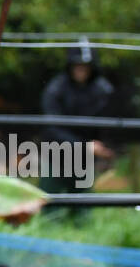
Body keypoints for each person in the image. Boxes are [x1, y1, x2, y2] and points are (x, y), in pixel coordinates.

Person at [39, 38, 115, 194]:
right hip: (57, 155)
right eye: (77, 65)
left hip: (85, 160)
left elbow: (109, 123)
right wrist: (84, 145)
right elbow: (51, 128)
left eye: (85, 66)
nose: (81, 70)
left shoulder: (103, 90)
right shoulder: (55, 89)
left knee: (82, 208)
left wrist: (105, 145)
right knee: (50, 207)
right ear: (70, 66)